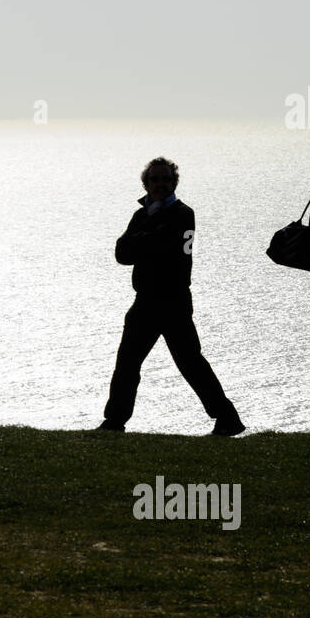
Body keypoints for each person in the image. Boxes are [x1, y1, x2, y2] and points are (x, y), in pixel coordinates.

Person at [100, 157, 245, 436]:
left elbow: (163, 246)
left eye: (165, 179)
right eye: (155, 179)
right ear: (147, 183)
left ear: (173, 182)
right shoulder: (141, 215)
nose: (160, 184)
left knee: (191, 363)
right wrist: (148, 238)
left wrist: (142, 240)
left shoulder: (183, 213)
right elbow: (122, 253)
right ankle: (115, 421)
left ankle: (227, 418)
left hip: (173, 301)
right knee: (127, 362)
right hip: (145, 301)